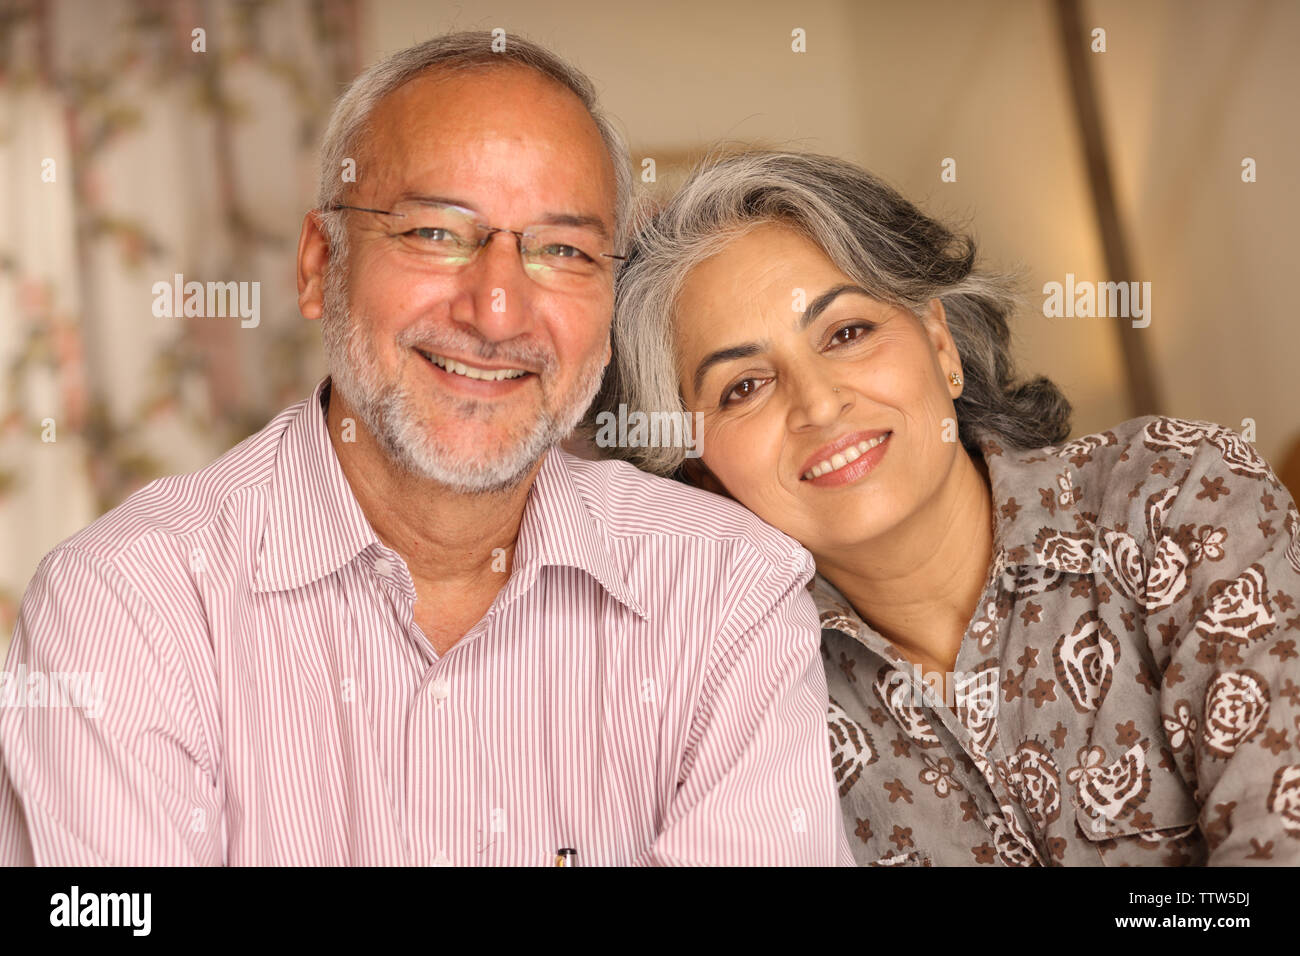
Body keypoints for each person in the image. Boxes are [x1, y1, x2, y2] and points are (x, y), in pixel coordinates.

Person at [0, 36, 853, 866]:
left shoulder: (728, 590)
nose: (496, 309)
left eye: (562, 250)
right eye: (437, 233)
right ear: (318, 263)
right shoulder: (122, 604)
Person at [592, 149, 1300, 865]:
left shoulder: (1175, 493)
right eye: (743, 386)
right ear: (698, 470)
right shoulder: (732, 694)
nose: (819, 403)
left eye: (846, 333)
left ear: (939, 341)